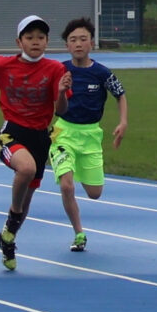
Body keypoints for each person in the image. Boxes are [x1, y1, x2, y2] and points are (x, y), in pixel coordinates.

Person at [0, 15, 72, 271]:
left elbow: (61, 110)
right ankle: (13, 217)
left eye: (41, 38)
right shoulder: (4, 64)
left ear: (47, 42)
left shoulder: (55, 69)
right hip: (11, 133)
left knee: (29, 192)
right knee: (26, 169)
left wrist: (62, 92)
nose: (35, 42)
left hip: (40, 136)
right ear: (19, 41)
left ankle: (8, 237)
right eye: (29, 38)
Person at [49, 18, 127, 252]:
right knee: (67, 186)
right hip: (64, 132)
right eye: (73, 40)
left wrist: (123, 122)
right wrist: (62, 91)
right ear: (67, 46)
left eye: (83, 39)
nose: (78, 44)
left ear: (91, 43)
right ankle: (79, 233)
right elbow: (56, 106)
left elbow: (120, 94)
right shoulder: (60, 70)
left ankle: (76, 169)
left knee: (95, 193)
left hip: (91, 135)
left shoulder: (102, 73)